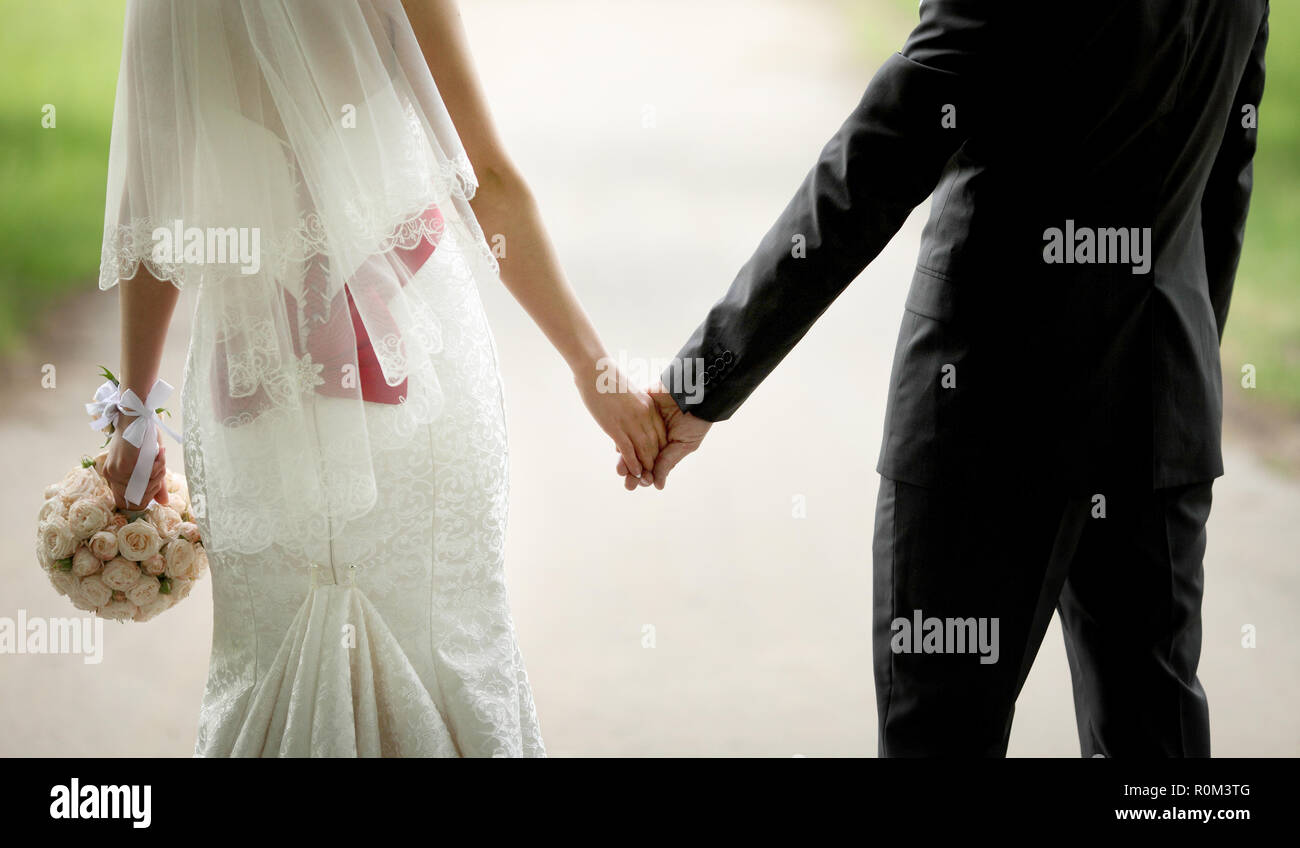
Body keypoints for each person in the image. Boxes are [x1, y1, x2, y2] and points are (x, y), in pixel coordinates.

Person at [636, 0, 1270, 757]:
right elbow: (1223, 186)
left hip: (989, 417)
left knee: (939, 736)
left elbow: (876, 159)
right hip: (1161, 407)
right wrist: (1186, 365)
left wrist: (707, 374)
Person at [99, 0, 664, 757]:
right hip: (420, 376)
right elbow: (486, 181)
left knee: (269, 663)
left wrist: (133, 416)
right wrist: (592, 369)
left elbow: (148, 215)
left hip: (257, 392)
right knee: (443, 650)